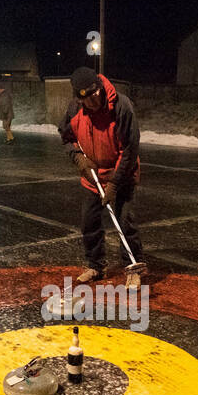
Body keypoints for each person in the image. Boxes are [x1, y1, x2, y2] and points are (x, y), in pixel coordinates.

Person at [58, 67, 145, 289]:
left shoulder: (121, 106)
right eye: (86, 96)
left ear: (99, 86)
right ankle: (96, 265)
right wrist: (78, 158)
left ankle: (132, 267)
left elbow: (130, 148)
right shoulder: (74, 109)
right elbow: (66, 136)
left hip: (121, 173)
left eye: (95, 92)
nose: (94, 99)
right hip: (92, 175)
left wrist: (115, 183)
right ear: (79, 97)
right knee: (89, 222)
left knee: (125, 221)